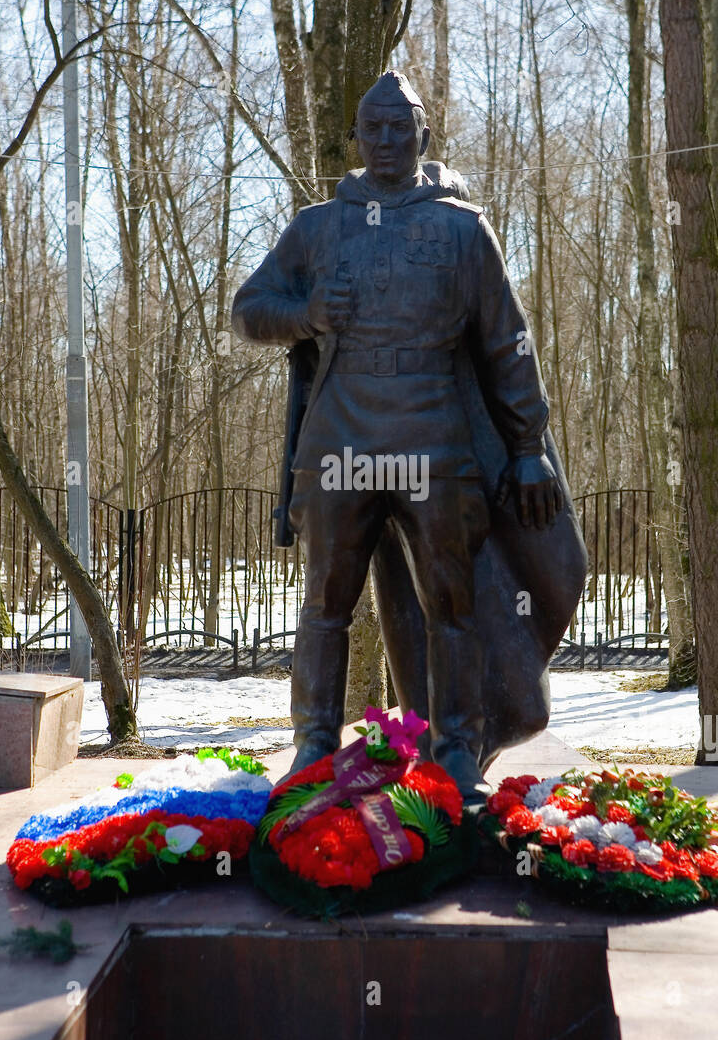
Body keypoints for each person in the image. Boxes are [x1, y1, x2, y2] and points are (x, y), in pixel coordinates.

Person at [232, 71, 586, 807]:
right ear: (357, 139)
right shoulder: (317, 226)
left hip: (437, 444)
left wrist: (527, 446)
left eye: (403, 129)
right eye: (375, 128)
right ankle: (312, 746)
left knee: (452, 607)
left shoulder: (462, 228)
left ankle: (454, 752)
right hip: (341, 444)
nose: (388, 141)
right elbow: (248, 311)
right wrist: (306, 314)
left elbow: (508, 346)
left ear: (423, 139)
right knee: (326, 603)